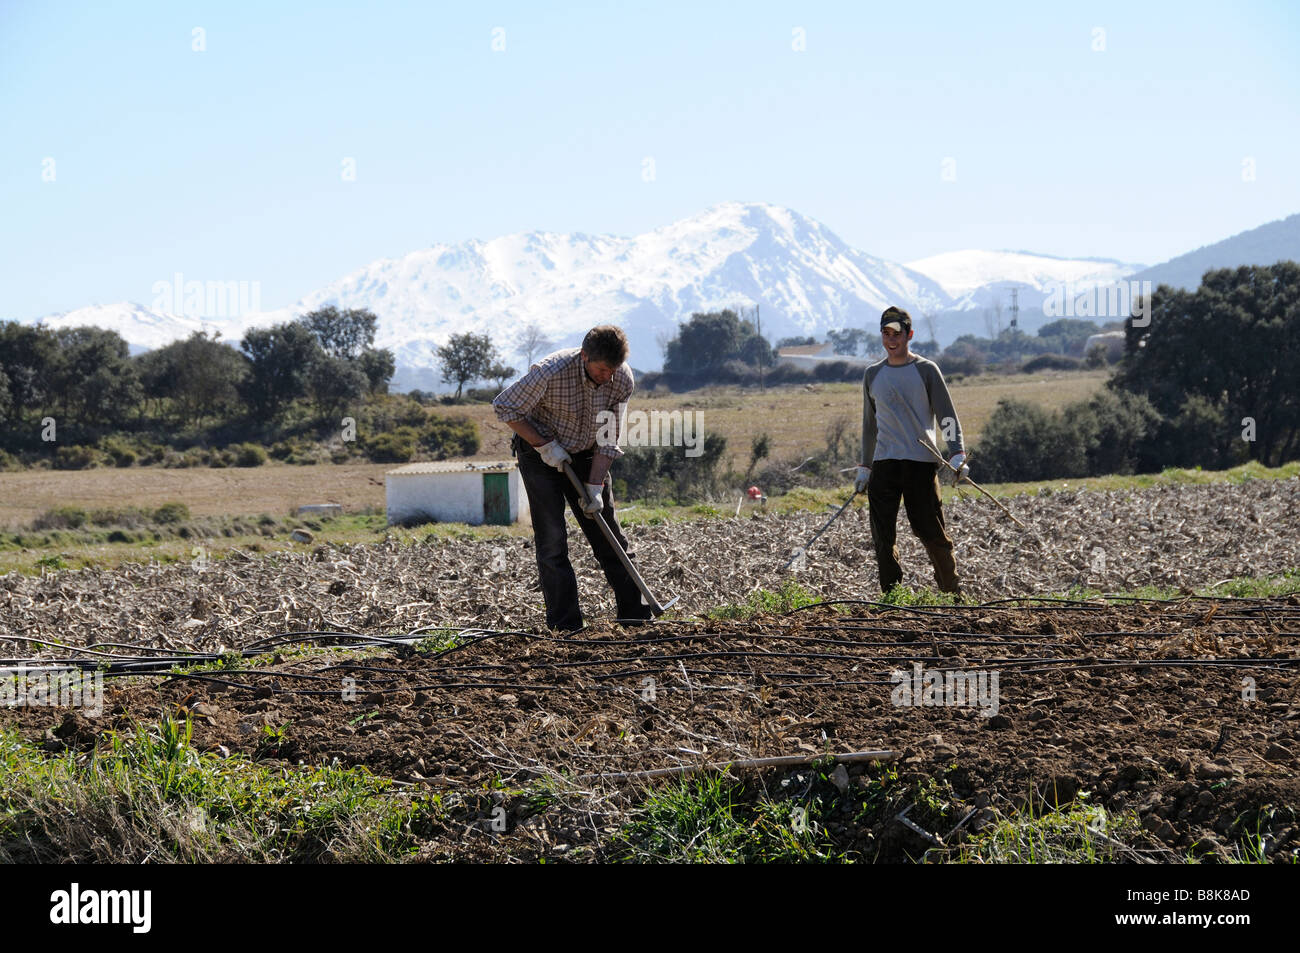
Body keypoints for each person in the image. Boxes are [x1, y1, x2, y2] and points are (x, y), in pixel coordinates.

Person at [493, 325, 653, 631]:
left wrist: (595, 486)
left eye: (613, 369)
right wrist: (543, 445)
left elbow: (608, 437)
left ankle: (635, 616)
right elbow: (504, 406)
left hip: (588, 453)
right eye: (602, 369)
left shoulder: (621, 378)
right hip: (540, 455)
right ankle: (566, 626)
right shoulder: (550, 372)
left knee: (608, 534)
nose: (607, 376)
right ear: (584, 356)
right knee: (552, 541)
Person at [856, 306, 969, 595]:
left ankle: (951, 594)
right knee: (882, 536)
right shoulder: (873, 375)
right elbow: (870, 425)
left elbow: (947, 416)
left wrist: (957, 453)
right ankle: (892, 597)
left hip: (920, 463)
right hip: (884, 464)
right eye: (886, 333)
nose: (891, 339)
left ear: (909, 335)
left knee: (931, 533)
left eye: (897, 333)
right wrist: (865, 467)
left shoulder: (926, 370)